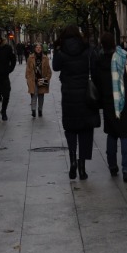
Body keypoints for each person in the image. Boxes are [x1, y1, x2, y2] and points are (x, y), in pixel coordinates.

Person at [52, 25, 100, 180]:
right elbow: (94, 68)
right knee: (86, 130)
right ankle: (82, 167)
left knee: (71, 129)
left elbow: (55, 67)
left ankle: (72, 160)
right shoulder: (87, 49)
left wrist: (58, 49)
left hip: (69, 95)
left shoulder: (61, 51)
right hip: (86, 95)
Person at [94, 31, 127, 183]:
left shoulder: (100, 60)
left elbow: (97, 83)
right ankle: (126, 169)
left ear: (102, 44)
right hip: (125, 101)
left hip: (109, 103)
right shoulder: (125, 57)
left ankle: (113, 166)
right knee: (125, 135)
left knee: (112, 134)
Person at [25, 41, 52, 117]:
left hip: (42, 79)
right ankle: (33, 110)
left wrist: (47, 78)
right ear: (34, 49)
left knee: (41, 95)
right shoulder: (30, 58)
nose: (38, 49)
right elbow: (28, 69)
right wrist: (28, 77)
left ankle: (40, 110)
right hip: (33, 79)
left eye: (40, 48)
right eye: (37, 47)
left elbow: (48, 69)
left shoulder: (45, 58)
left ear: (42, 49)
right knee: (34, 94)